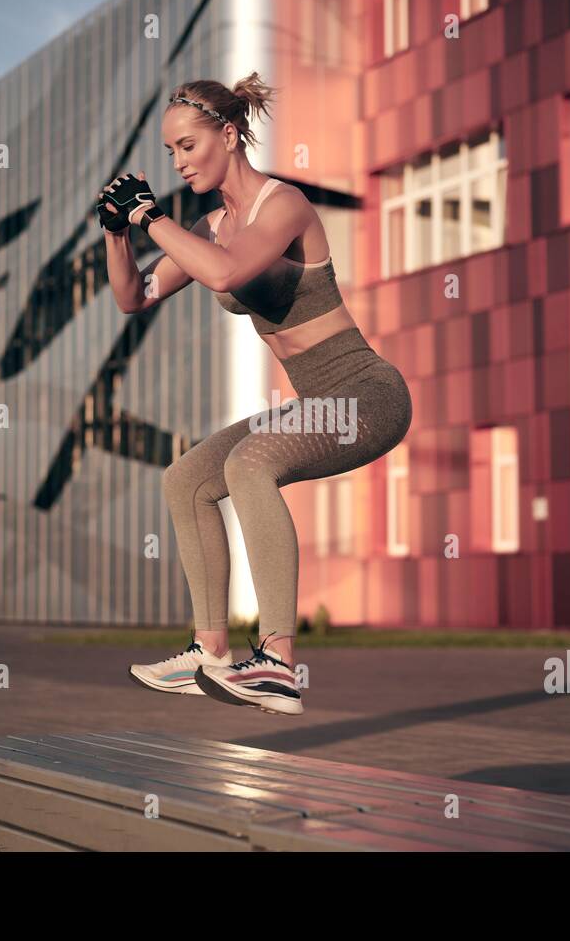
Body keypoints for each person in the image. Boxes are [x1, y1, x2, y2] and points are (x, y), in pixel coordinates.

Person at [97, 73, 412, 715]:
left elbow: (228, 271)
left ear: (230, 134)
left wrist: (151, 217)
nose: (179, 163)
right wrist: (115, 233)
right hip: (312, 404)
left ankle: (277, 663)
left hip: (368, 395)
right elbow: (135, 298)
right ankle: (210, 650)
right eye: (170, 154)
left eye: (187, 146)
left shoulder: (283, 205)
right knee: (185, 479)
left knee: (250, 462)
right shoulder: (211, 225)